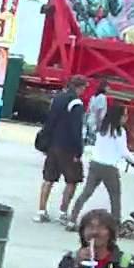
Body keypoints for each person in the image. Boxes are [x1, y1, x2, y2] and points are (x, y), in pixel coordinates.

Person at [68, 103, 134, 226]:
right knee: (115, 195)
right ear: (119, 117)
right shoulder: (119, 131)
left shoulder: (102, 127)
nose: (126, 118)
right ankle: (116, 222)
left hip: (95, 164)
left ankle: (72, 219)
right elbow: (124, 152)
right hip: (109, 168)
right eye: (125, 115)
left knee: (86, 192)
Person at [36, 75, 89, 225]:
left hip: (53, 144)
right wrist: (78, 151)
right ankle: (63, 212)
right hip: (68, 148)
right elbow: (76, 129)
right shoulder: (76, 103)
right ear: (79, 87)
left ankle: (41, 211)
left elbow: (49, 121)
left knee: (48, 179)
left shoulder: (57, 98)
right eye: (84, 87)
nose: (85, 90)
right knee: (72, 180)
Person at [84, 79, 109, 146]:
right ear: (104, 87)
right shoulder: (102, 97)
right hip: (95, 120)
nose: (108, 88)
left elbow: (88, 110)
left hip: (90, 119)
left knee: (88, 138)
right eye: (107, 87)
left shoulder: (93, 97)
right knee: (93, 140)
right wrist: (99, 124)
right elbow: (99, 111)